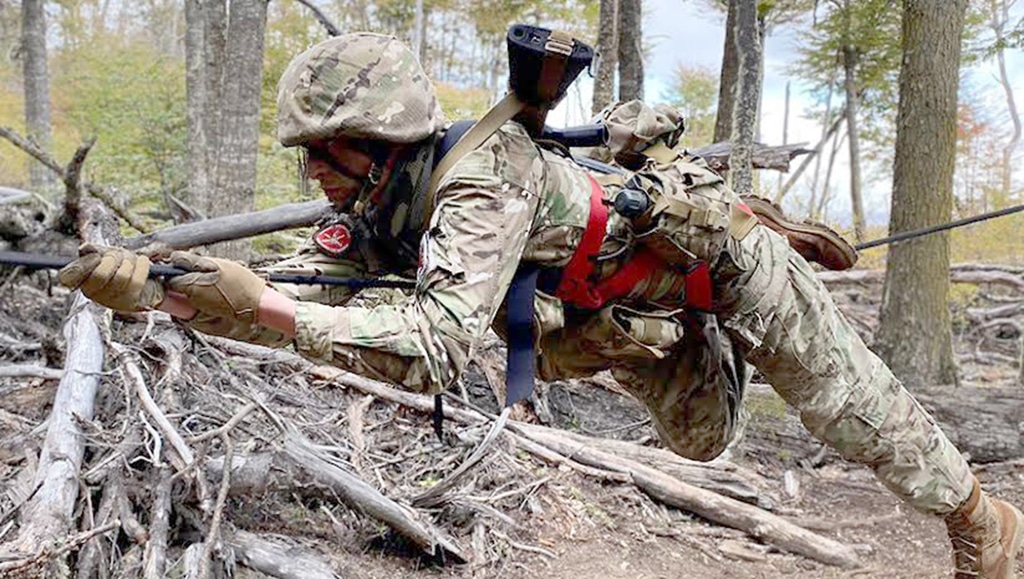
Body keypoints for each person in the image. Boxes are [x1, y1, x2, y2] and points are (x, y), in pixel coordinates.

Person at [58, 32, 1021, 578]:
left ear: (385, 138)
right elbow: (315, 300)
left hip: (720, 264)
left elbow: (431, 346)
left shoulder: (478, 184)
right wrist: (160, 294)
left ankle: (982, 519)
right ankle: (679, 341)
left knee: (843, 405)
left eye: (331, 148)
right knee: (702, 438)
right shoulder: (372, 201)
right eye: (305, 153)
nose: (316, 172)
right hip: (616, 307)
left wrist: (262, 304)